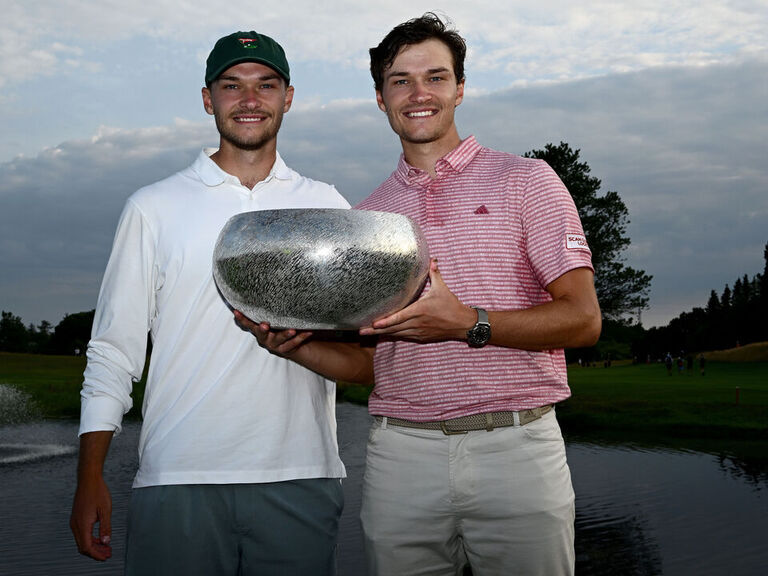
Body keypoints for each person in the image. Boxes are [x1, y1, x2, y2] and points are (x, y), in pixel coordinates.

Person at [238, 13, 601, 576]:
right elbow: (368, 365)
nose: (419, 93)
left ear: (460, 88)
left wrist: (467, 323)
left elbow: (583, 321)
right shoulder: (365, 220)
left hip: (517, 446)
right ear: (381, 99)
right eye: (400, 81)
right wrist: (288, 346)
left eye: (435, 77)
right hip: (400, 456)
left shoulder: (527, 180)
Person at [69, 31, 349, 576]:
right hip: (178, 478)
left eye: (265, 85)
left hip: (301, 475)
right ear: (207, 98)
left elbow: (361, 351)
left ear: (288, 97)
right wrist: (89, 478)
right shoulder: (152, 206)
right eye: (232, 86)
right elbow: (113, 351)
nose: (249, 100)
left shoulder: (327, 205)